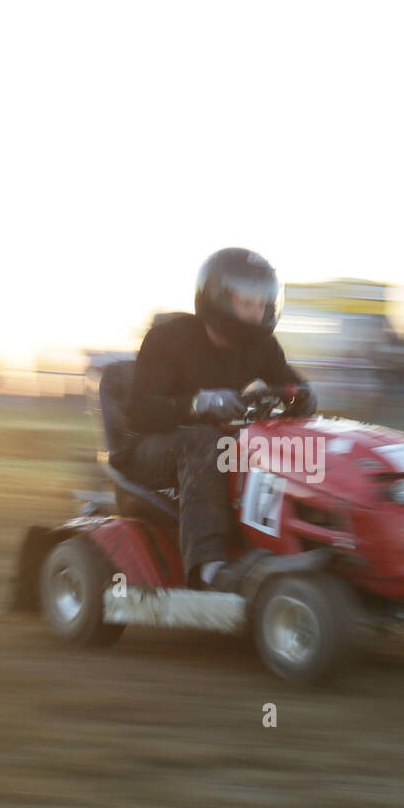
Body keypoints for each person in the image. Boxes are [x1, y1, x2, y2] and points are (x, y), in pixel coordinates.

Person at [120, 247, 317, 588]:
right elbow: (140, 413)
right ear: (217, 298)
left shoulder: (263, 347)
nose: (258, 312)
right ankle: (209, 567)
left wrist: (306, 396)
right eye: (247, 301)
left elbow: (291, 385)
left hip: (220, 443)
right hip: (148, 449)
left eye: (263, 303)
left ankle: (296, 547)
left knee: (286, 443)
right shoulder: (168, 339)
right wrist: (198, 404)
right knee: (208, 443)